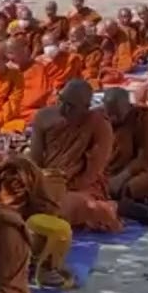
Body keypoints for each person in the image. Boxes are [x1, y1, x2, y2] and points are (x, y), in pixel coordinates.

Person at [28, 79, 123, 232]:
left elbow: (93, 171)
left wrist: (62, 187)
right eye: (62, 101)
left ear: (86, 108)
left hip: (80, 186)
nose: (64, 109)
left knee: (54, 210)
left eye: (71, 106)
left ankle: (103, 210)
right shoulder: (44, 117)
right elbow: (35, 159)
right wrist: (40, 183)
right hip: (46, 181)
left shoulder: (98, 125)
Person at [101, 87, 148, 208]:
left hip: (130, 173)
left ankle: (115, 195)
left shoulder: (144, 119)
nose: (113, 118)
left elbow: (147, 157)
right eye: (110, 113)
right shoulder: (99, 117)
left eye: (117, 113)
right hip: (102, 174)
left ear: (128, 106)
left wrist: (121, 177)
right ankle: (109, 194)